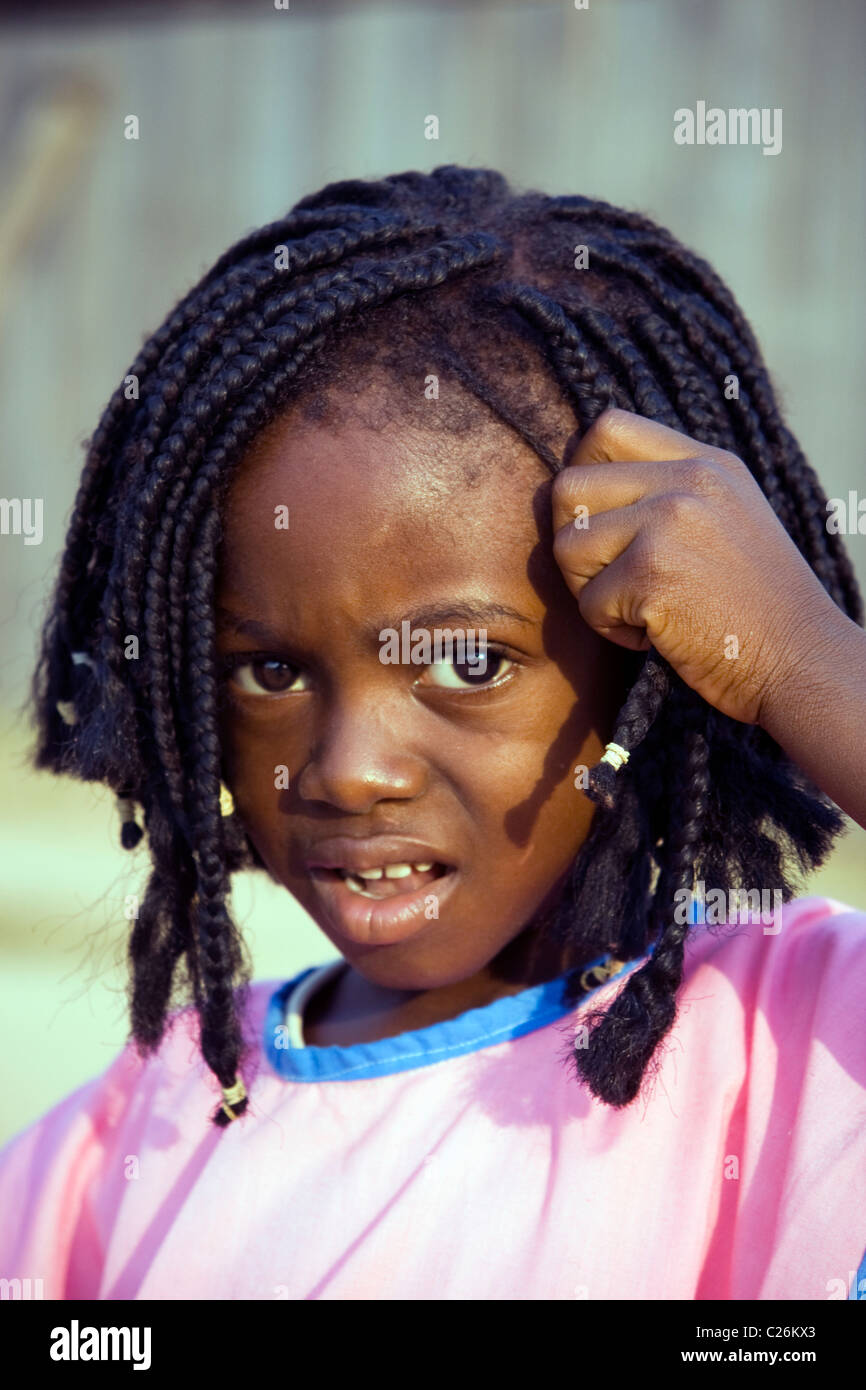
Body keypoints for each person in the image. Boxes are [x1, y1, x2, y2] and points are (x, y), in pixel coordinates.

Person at [2, 165, 865, 1300]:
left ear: (648, 664)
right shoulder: (123, 1137)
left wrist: (804, 659)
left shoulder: (792, 1036)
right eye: (269, 669)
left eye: (466, 661)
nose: (347, 770)